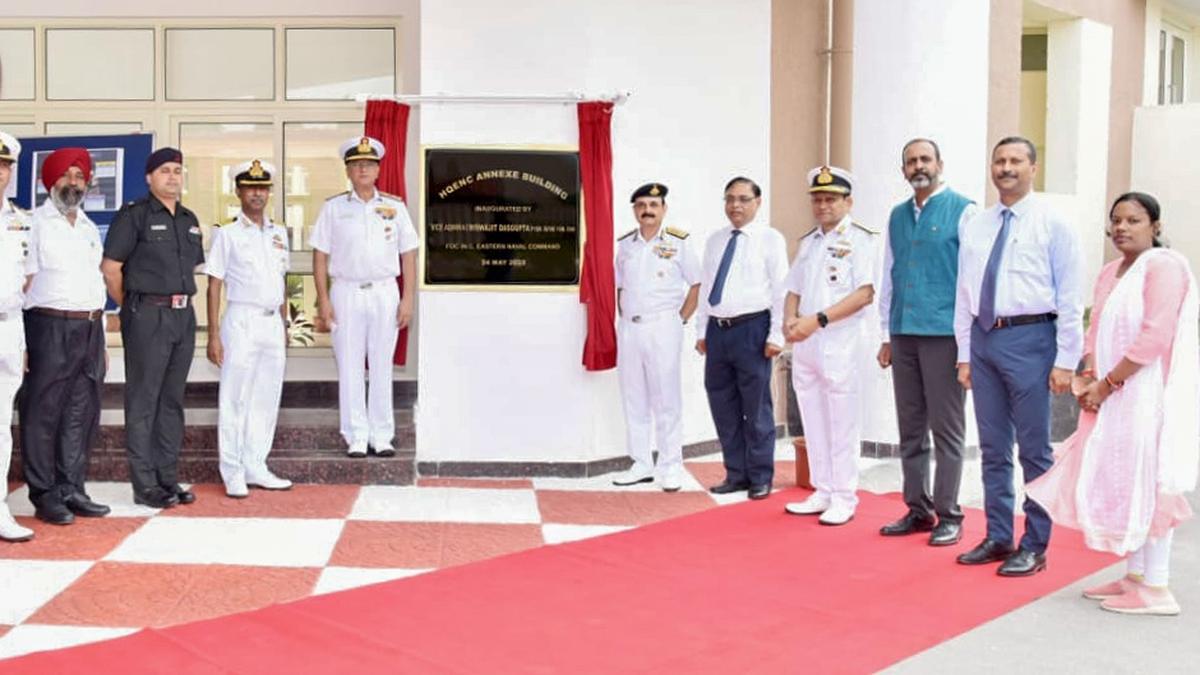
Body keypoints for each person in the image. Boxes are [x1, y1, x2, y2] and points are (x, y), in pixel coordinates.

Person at [1028, 192, 1198, 615]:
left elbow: (1154, 337)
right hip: (1111, 393)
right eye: (1116, 221)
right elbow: (1096, 330)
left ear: (1155, 227)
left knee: (1151, 479)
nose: (1122, 228)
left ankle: (1157, 587)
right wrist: (1087, 378)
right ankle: (1135, 575)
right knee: (1123, 479)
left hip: (1145, 392)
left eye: (1134, 220)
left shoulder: (1164, 267)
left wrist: (1106, 385)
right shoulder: (1110, 272)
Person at [953, 136, 1083, 576]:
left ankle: (1035, 543)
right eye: (999, 161)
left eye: (1015, 161)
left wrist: (1067, 359)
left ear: (1033, 167)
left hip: (1031, 339)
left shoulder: (1053, 223)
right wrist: (964, 352)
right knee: (992, 446)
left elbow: (1069, 296)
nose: (1005, 168)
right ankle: (997, 535)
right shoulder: (976, 224)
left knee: (1033, 449)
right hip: (984, 338)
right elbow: (964, 293)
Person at [877, 139, 976, 545]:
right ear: (903, 170)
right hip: (903, 334)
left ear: (939, 163)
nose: (918, 166)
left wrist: (968, 348)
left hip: (944, 337)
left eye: (925, 159)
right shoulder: (897, 216)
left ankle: (949, 513)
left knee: (946, 429)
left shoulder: (965, 211)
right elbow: (889, 275)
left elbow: (971, 281)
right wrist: (886, 334)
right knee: (911, 427)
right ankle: (918, 509)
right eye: (911, 161)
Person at [101, 147, 204, 509]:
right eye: (164, 170)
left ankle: (167, 477)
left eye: (178, 170)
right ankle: (144, 484)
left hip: (182, 316)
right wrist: (131, 307)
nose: (172, 176)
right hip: (148, 314)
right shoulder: (135, 216)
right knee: (144, 399)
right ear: (149, 177)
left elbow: (191, 270)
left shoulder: (189, 219)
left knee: (171, 400)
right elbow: (111, 268)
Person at [781, 166, 879, 526]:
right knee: (812, 414)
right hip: (806, 340)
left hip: (839, 338)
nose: (823, 205)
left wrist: (817, 320)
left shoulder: (861, 239)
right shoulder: (809, 242)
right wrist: (790, 321)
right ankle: (822, 489)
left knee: (841, 419)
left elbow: (865, 293)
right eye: (817, 199)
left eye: (831, 199)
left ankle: (843, 495)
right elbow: (793, 288)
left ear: (847, 202)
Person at [311, 136, 417, 458]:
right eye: (357, 165)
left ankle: (382, 435)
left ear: (378, 169)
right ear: (348, 170)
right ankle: (356, 435)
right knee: (350, 365)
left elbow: (409, 255)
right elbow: (319, 255)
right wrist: (323, 300)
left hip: (385, 290)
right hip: (346, 292)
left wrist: (408, 298)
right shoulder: (333, 208)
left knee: (382, 364)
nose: (363, 169)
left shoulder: (395, 207)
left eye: (369, 164)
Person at [20, 147, 110, 524]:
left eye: (79, 176)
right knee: (43, 412)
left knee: (80, 411)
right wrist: (21, 342)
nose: (73, 183)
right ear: (50, 180)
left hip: (89, 327)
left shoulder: (89, 227)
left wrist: (101, 335)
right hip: (48, 325)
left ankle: (72, 487)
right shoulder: (32, 224)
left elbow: (96, 283)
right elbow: (21, 284)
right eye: (66, 175)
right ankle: (44, 494)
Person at [696, 177, 788, 500]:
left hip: (753, 329)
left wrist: (777, 334)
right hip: (718, 331)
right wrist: (701, 330)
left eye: (743, 199)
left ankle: (761, 475)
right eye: (730, 199)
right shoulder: (715, 240)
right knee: (722, 404)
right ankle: (736, 473)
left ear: (757, 202)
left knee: (757, 406)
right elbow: (707, 288)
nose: (735, 205)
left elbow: (781, 290)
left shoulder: (770, 239)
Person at [206, 160, 293, 498]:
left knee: (266, 397)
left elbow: (281, 280)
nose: (257, 193)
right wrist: (213, 334)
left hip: (272, 322)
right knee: (235, 397)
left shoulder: (278, 232)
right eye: (250, 187)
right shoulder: (227, 234)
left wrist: (285, 323)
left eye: (263, 187)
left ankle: (257, 464)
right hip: (241, 320)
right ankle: (232, 469)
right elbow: (215, 285)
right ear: (238, 191)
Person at [612, 182, 701, 492]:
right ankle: (640, 463)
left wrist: (681, 319)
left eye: (653, 205)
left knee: (666, 398)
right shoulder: (625, 245)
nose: (647, 210)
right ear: (635, 210)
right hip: (629, 327)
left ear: (663, 209)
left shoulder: (679, 242)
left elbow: (697, 284)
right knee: (633, 396)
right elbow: (619, 286)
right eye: (641, 205)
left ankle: (670, 464)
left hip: (663, 325)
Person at [0, 131, 35, 542]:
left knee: (1, 427)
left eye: (5, 165)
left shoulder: (20, 220)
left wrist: (23, 342)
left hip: (9, 328)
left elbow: (26, 282)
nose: (0, 172)